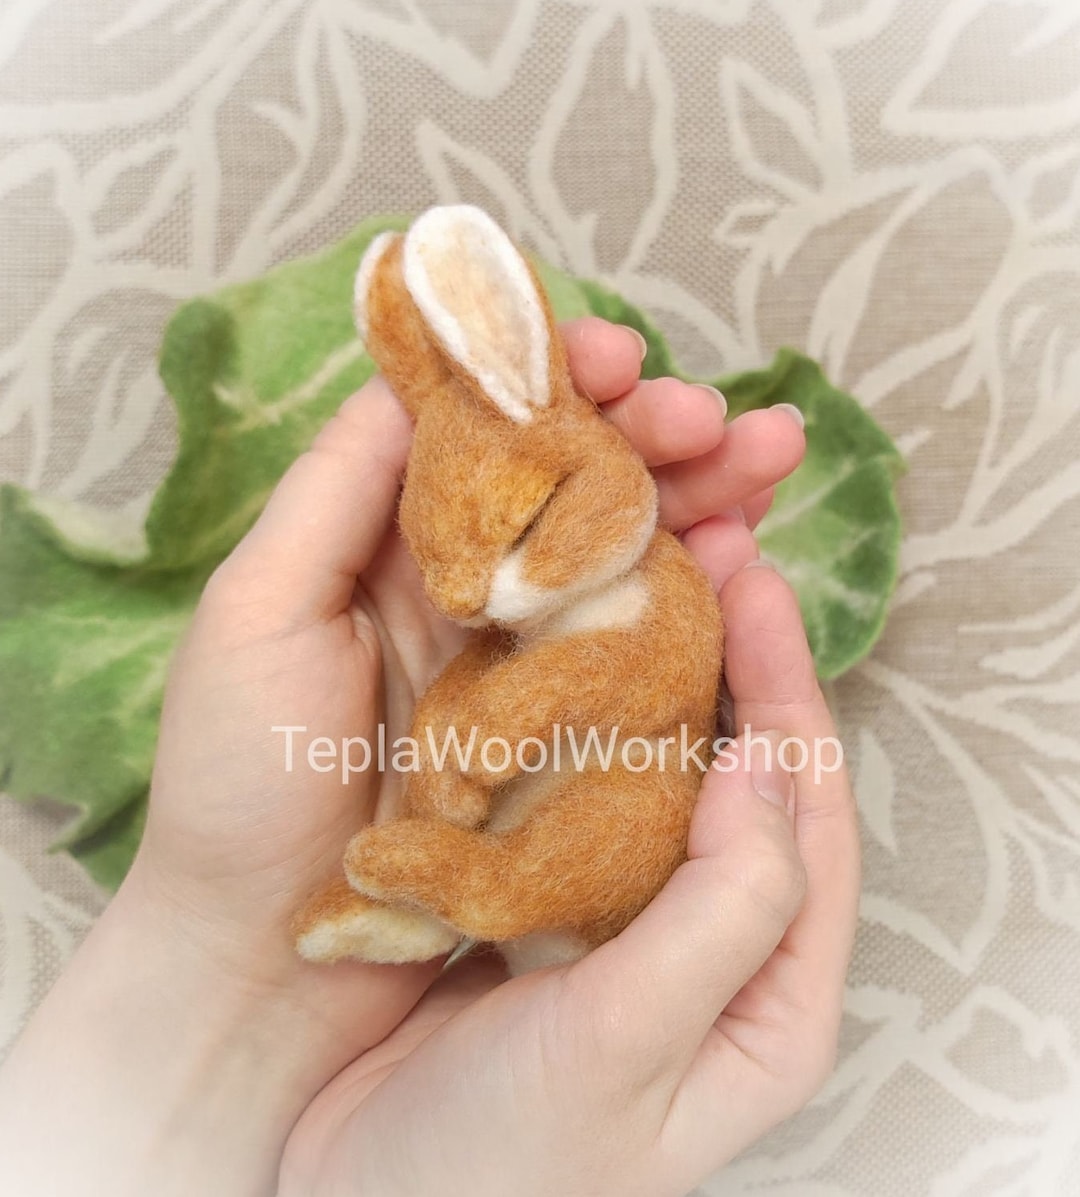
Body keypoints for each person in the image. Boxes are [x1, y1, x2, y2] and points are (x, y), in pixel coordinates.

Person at [0, 318, 859, 1197]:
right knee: (453, 773)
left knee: (619, 821)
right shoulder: (513, 622)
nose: (472, 596)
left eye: (517, 532)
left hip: (604, 847)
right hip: (471, 894)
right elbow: (483, 679)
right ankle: (433, 905)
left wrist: (500, 716)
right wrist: (227, 957)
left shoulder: (661, 598)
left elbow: (615, 685)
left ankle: (493, 888)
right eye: (450, 564)